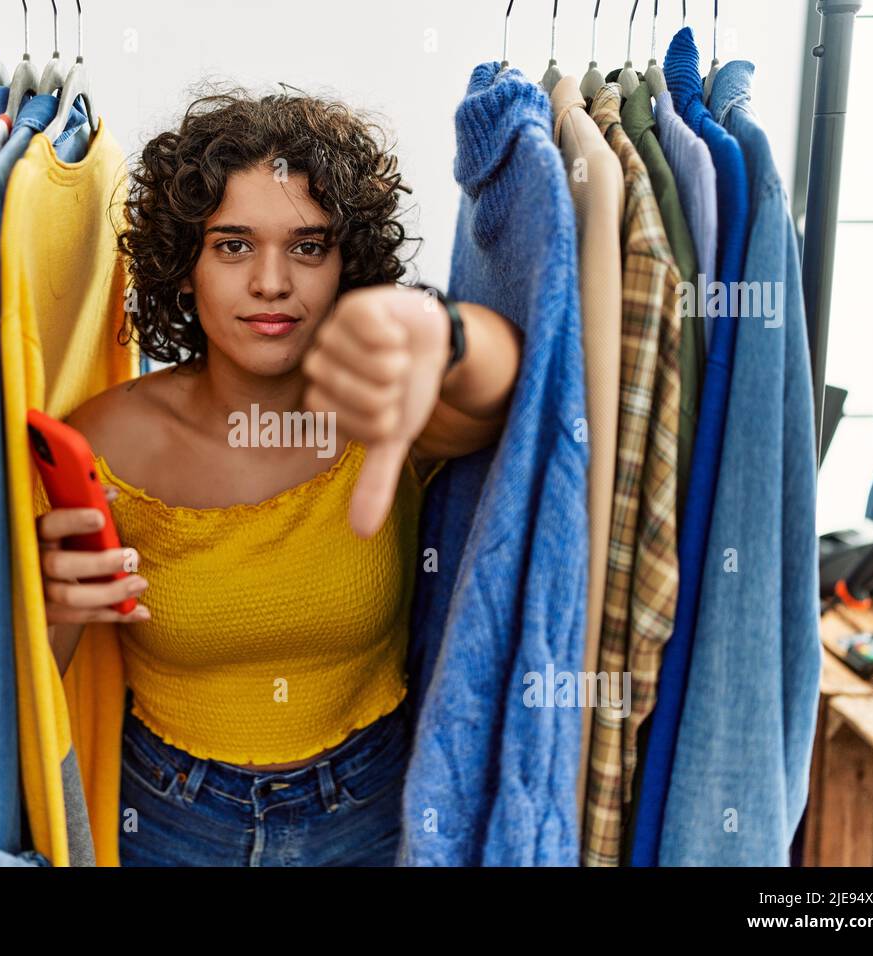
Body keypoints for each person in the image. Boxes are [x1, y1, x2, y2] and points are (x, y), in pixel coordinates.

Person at [36, 87, 522, 866]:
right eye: (232, 245)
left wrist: (448, 330)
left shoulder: (384, 416)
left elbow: (501, 390)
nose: (271, 282)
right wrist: (51, 606)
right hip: (166, 818)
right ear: (182, 263)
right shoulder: (108, 439)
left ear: (346, 263)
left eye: (308, 246)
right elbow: (32, 697)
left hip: (370, 809)